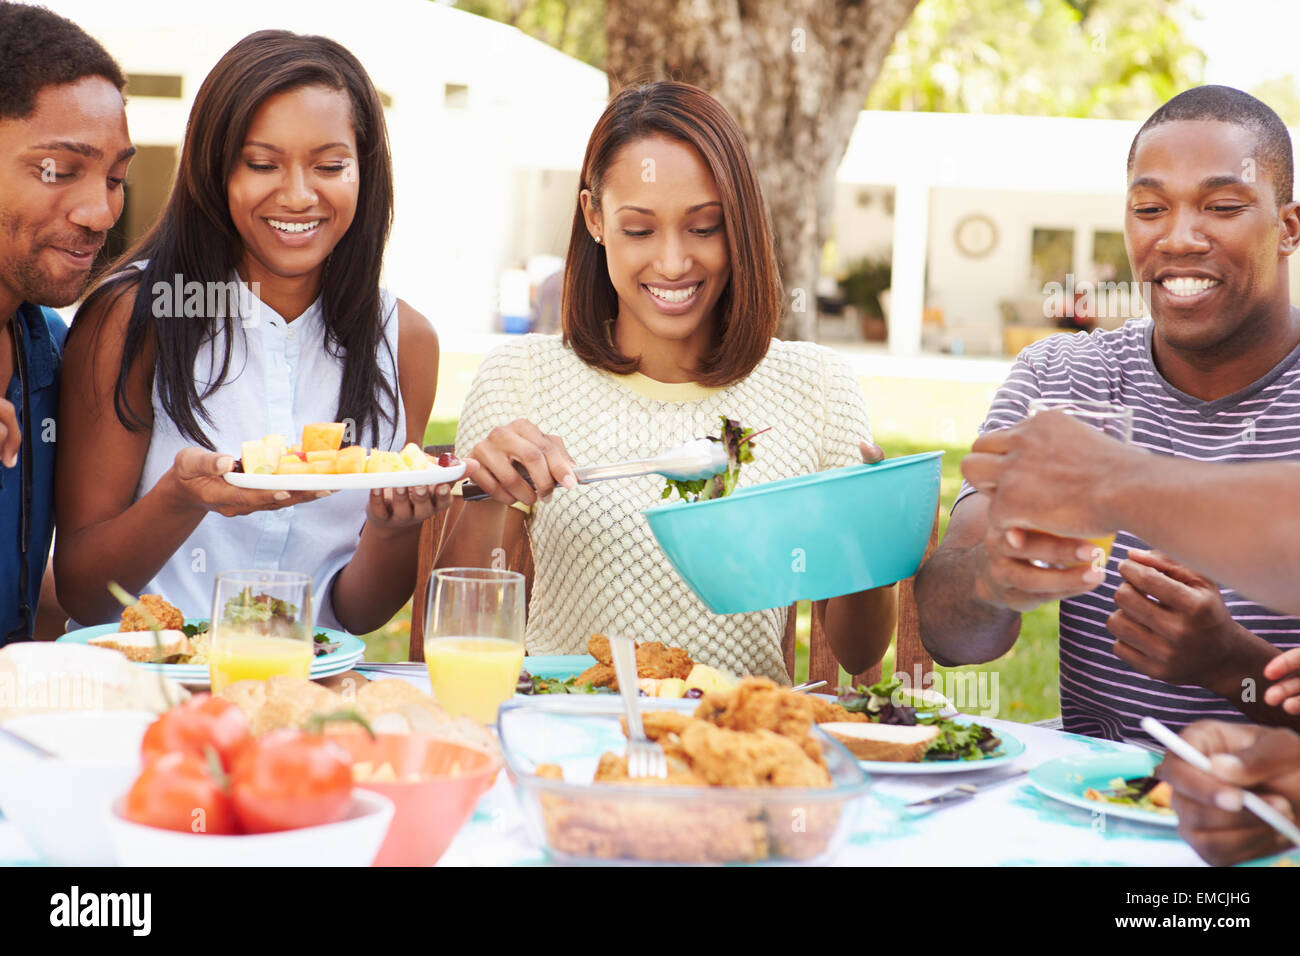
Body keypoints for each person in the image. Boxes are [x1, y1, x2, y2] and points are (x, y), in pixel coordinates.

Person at [437, 81, 895, 681]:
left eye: (704, 228)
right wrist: (489, 495)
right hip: (565, 734)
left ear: (740, 226)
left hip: (736, 747)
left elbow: (860, 654)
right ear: (594, 218)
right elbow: (459, 635)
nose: (674, 262)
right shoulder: (522, 377)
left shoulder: (817, 386)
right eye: (640, 230)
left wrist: (866, 531)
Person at [915, 86, 1300, 744]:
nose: (1179, 237)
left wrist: (1229, 664)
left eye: (1223, 206)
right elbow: (950, 637)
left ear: (1288, 227)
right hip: (1094, 813)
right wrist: (993, 578)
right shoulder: (1061, 380)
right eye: (1150, 208)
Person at [55, 31, 449, 633]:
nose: (297, 195)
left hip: (312, 692)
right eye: (262, 164)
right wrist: (182, 498)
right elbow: (84, 590)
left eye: (331, 165)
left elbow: (356, 612)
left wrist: (397, 529)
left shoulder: (405, 342)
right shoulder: (138, 314)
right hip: (156, 686)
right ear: (215, 171)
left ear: (364, 170)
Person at [0, 3, 132, 645]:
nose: (101, 211)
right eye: (60, 169)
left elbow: (30, 590)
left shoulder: (53, 348)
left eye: (115, 178)